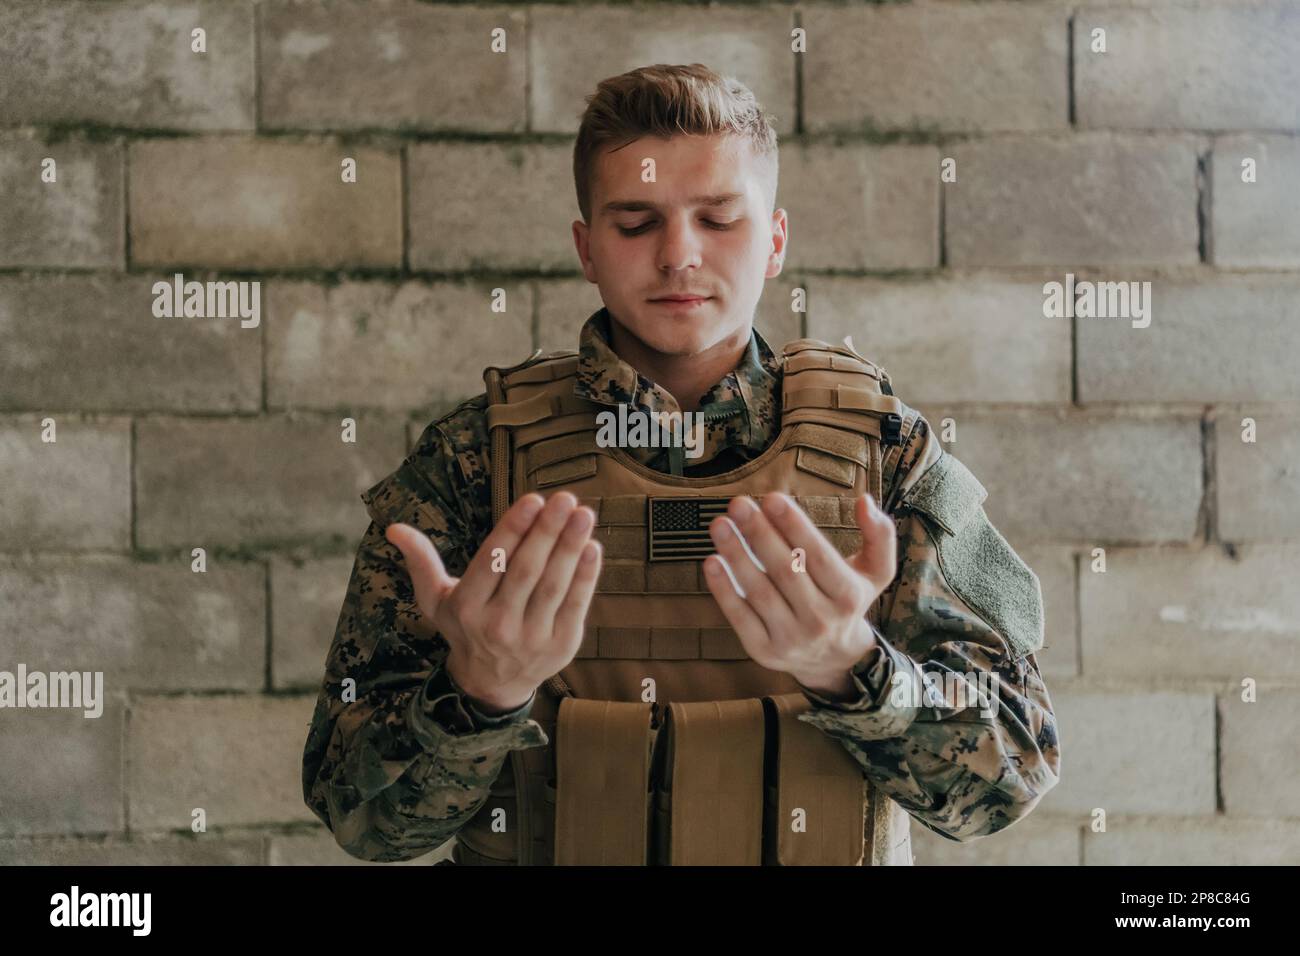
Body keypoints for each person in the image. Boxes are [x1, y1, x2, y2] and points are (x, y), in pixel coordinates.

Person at [301, 63, 1059, 865]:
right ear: (586, 248)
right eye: (636, 224)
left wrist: (854, 669)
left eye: (719, 219)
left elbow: (1012, 778)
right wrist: (479, 693)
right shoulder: (475, 459)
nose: (679, 256)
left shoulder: (885, 451)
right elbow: (363, 823)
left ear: (773, 241)